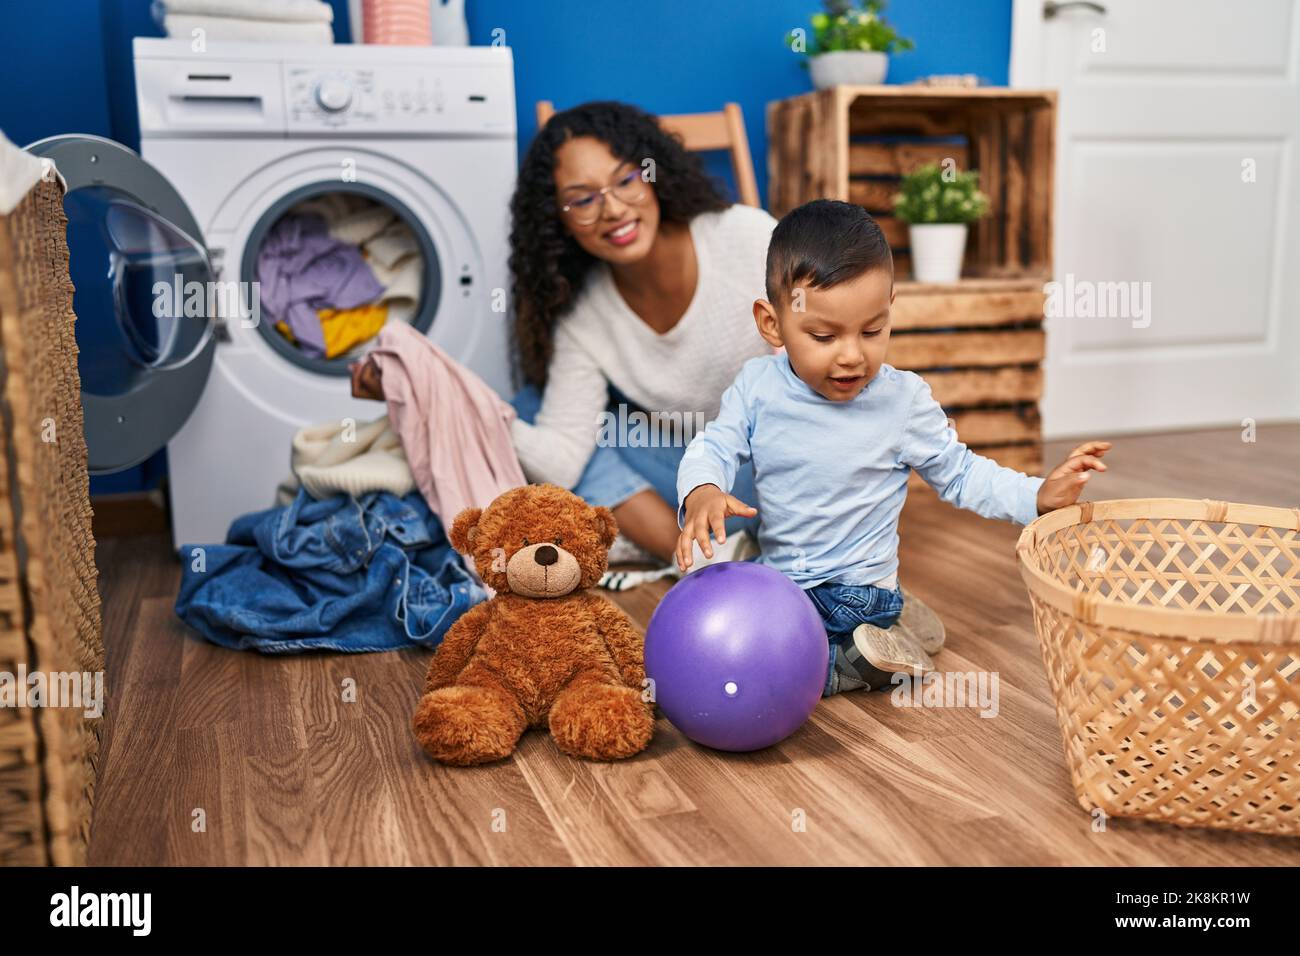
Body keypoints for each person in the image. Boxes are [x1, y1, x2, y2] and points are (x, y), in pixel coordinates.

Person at [674, 199, 1112, 697]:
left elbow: (962, 474)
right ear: (772, 322)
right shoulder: (757, 386)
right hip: (787, 581)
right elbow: (715, 445)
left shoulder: (901, 401)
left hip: (854, 593)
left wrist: (1038, 495)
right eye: (823, 335)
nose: (852, 355)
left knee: (767, 668)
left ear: (889, 311)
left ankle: (864, 652)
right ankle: (888, 631)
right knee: (729, 592)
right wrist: (704, 488)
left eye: (873, 330)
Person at [353, 101, 774, 569]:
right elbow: (562, 461)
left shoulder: (744, 237)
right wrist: (445, 392)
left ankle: (705, 555)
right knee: (538, 410)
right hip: (698, 483)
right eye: (583, 199)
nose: (612, 209)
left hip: (789, 473)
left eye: (625, 181)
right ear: (558, 220)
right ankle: (705, 559)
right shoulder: (584, 315)